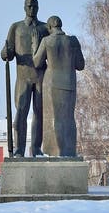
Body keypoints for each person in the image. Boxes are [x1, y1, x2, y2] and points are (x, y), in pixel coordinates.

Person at [1, 0, 48, 156]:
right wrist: (5, 53)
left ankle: (35, 148)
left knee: (39, 112)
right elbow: (8, 50)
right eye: (29, 6)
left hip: (41, 76)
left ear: (38, 7)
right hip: (23, 77)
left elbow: (51, 51)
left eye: (34, 6)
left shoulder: (45, 28)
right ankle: (19, 148)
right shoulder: (16, 27)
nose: (31, 9)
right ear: (24, 7)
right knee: (21, 112)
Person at [32, 15, 85, 157]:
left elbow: (37, 62)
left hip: (51, 84)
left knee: (53, 118)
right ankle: (69, 151)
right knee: (68, 118)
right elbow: (81, 65)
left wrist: (34, 45)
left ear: (49, 28)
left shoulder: (47, 41)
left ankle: (53, 152)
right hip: (69, 83)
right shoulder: (73, 41)